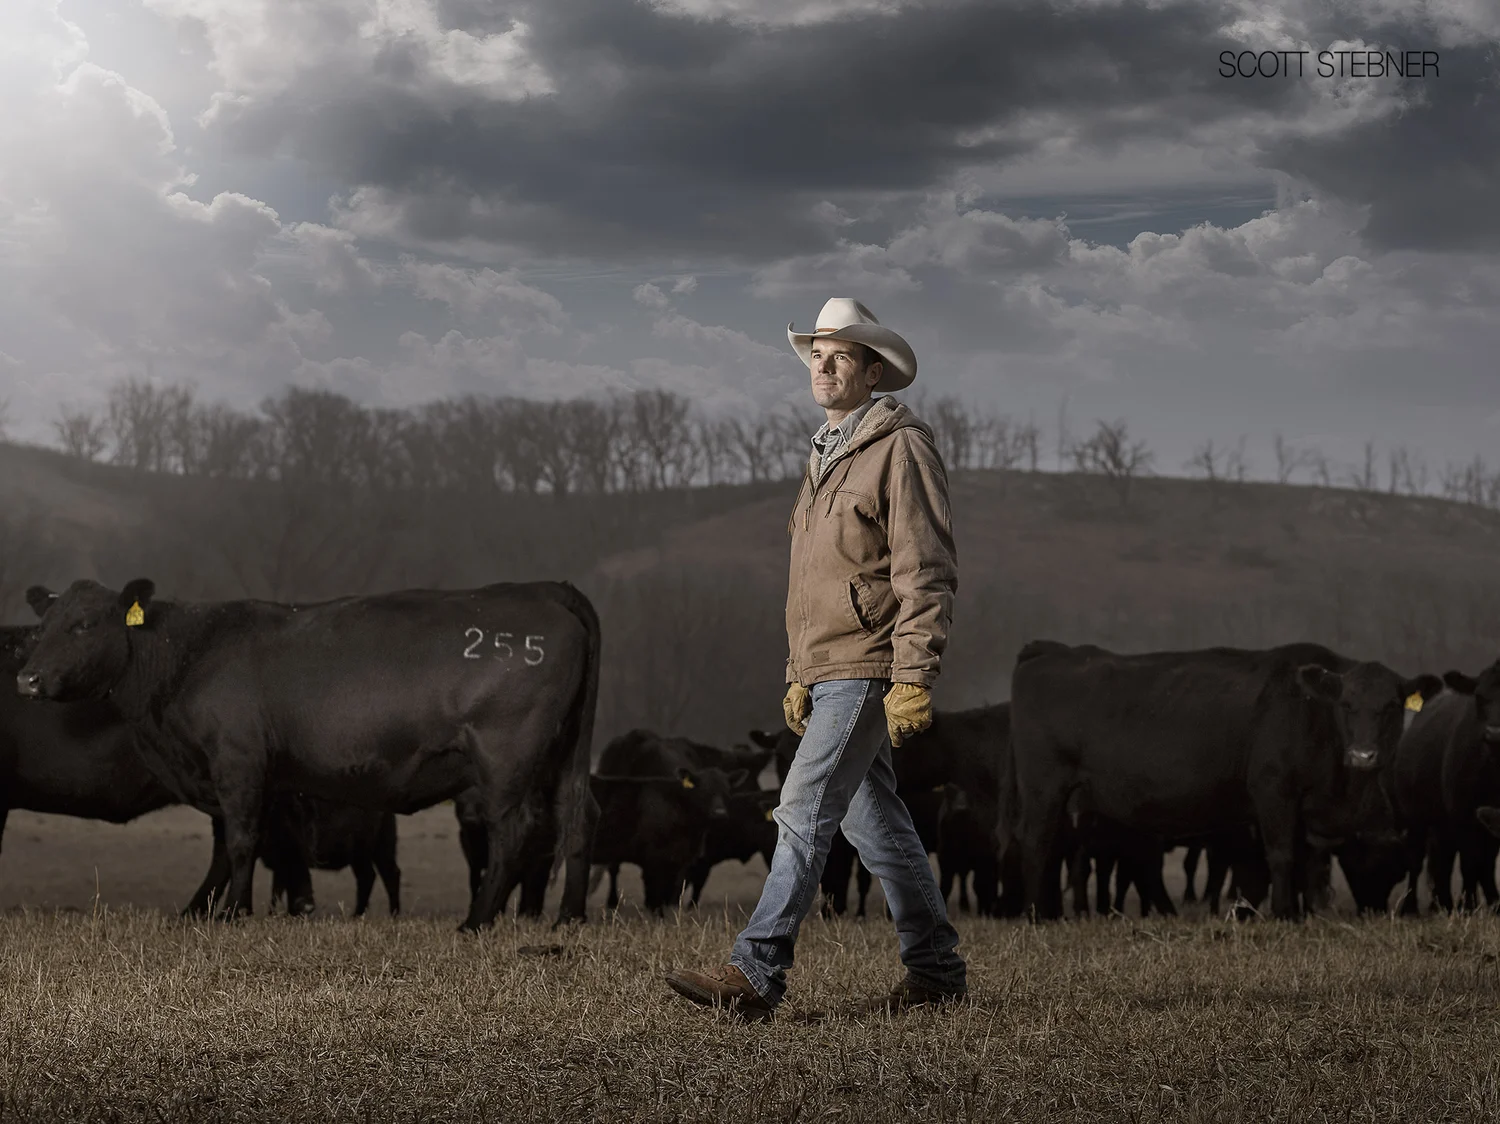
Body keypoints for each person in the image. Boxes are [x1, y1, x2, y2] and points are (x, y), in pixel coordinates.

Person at [664, 297, 966, 1020]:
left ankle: (755, 971)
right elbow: (813, 582)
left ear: (872, 371)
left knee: (801, 807)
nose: (824, 368)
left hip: (866, 663)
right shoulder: (825, 452)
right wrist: (797, 674)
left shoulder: (899, 447)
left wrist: (914, 674)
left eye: (841, 357)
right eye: (817, 357)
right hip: (826, 667)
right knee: (876, 827)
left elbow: (925, 569)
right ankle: (936, 971)